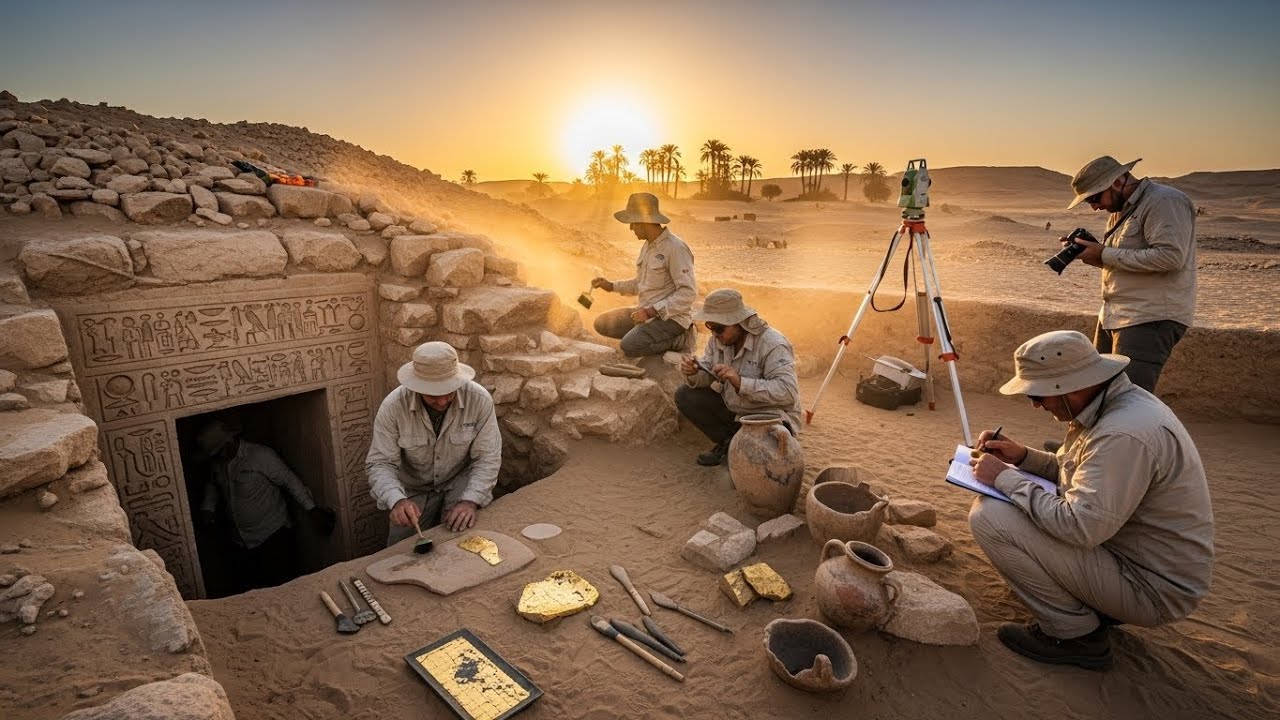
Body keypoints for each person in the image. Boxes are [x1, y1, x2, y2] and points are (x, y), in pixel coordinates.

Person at [968, 330, 1214, 671]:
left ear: (1071, 386)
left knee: (990, 515)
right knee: (1015, 502)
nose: (1035, 404)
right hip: (1134, 561)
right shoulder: (1113, 404)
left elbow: (1079, 527)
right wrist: (1022, 457)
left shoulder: (1121, 433)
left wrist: (1004, 478)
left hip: (1149, 588)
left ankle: (1074, 635)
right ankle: (1088, 604)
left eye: (1038, 395)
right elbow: (1080, 475)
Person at [1063, 156, 1196, 393]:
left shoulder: (1164, 201)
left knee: (1126, 399)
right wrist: (1093, 255)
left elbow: (1170, 258)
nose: (1094, 207)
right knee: (1099, 394)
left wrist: (1104, 254)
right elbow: (1128, 263)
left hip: (1148, 317)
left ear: (1116, 182)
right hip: (1115, 316)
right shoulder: (1120, 211)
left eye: (1095, 198)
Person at [366, 341, 501, 546]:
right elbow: (380, 463)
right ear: (416, 387)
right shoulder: (393, 407)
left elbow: (487, 457)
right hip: (412, 488)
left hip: (459, 482)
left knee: (461, 541)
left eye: (449, 391)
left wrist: (471, 500)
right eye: (433, 395)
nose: (442, 401)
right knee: (402, 551)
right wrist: (396, 500)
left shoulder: (479, 400)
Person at [197, 420, 336, 592]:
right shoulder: (217, 464)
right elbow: (213, 486)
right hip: (239, 541)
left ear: (229, 442)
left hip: (272, 536)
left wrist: (313, 510)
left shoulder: (260, 456)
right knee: (253, 589)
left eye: (219, 451)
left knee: (280, 587)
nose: (218, 456)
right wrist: (208, 507)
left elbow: (289, 481)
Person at [676, 288, 800, 466]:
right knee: (685, 395)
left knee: (756, 468)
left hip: (769, 416)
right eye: (710, 327)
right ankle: (729, 444)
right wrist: (694, 372)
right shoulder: (719, 340)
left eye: (719, 328)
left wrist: (741, 382)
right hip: (736, 410)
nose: (714, 334)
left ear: (738, 322)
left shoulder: (773, 344)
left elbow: (787, 392)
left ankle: (742, 451)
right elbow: (709, 374)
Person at [591, 192, 697, 357]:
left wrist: (651, 312)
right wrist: (611, 286)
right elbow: (641, 283)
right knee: (602, 324)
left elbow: (688, 293)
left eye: (633, 223)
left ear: (644, 222)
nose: (631, 228)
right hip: (645, 313)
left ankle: (680, 340)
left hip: (671, 319)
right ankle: (645, 333)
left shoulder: (675, 248)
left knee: (629, 346)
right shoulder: (648, 246)